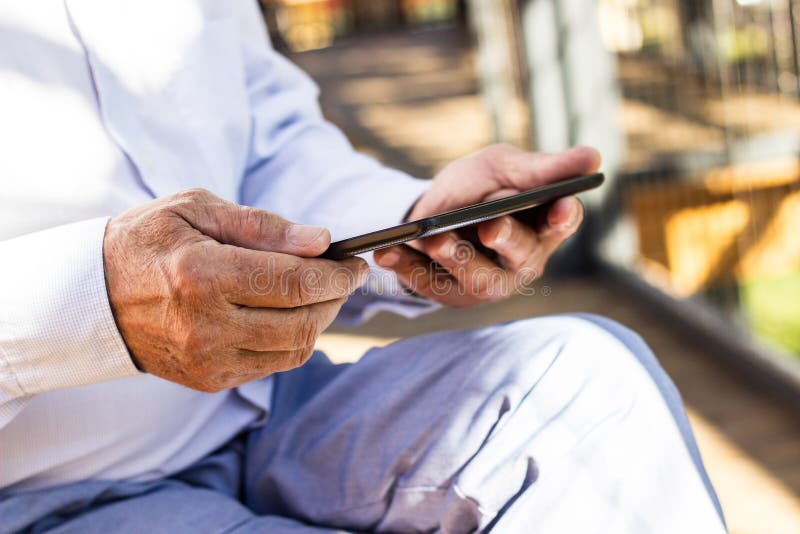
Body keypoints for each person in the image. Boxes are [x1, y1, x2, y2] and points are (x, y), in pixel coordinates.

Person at [0, 1, 726, 532]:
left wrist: (416, 223)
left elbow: (269, 144)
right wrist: (87, 309)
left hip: (261, 407)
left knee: (591, 378)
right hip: (39, 491)